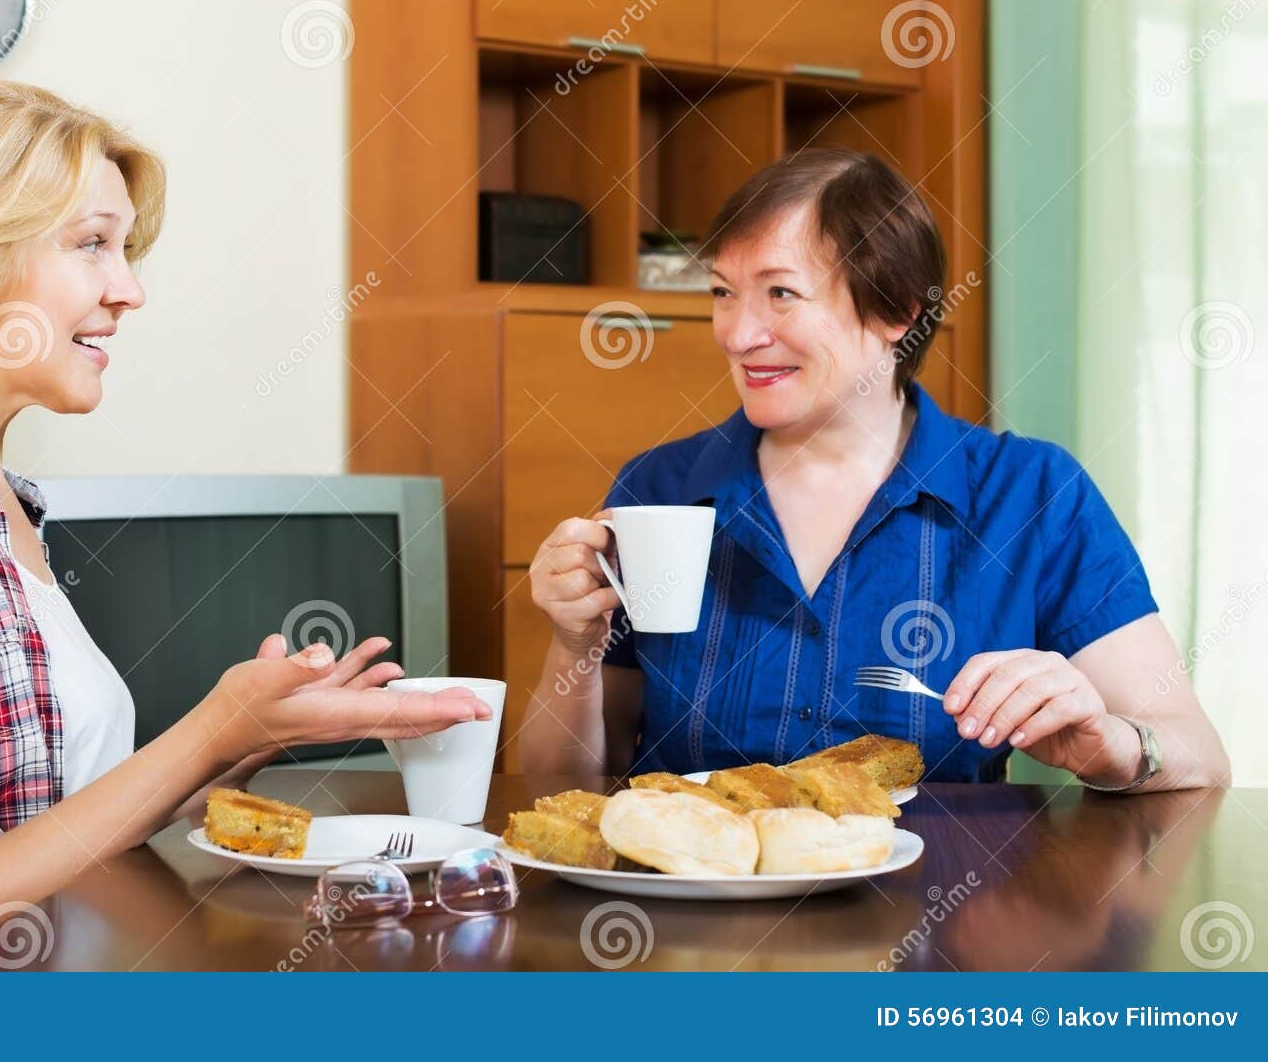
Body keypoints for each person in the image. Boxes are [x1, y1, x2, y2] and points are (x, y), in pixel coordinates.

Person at [0, 81, 492, 971]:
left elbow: (50, 830)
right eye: (92, 246)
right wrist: (214, 726)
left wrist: (250, 740)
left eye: (124, 250)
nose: (130, 291)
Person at [522, 148, 1229, 792]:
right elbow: (560, 788)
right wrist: (571, 648)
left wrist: (1115, 745)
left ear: (897, 310)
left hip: (944, 920)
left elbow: (1197, 755)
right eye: (722, 292)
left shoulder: (1034, 495)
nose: (738, 335)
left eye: (781, 293)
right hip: (695, 922)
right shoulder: (660, 489)